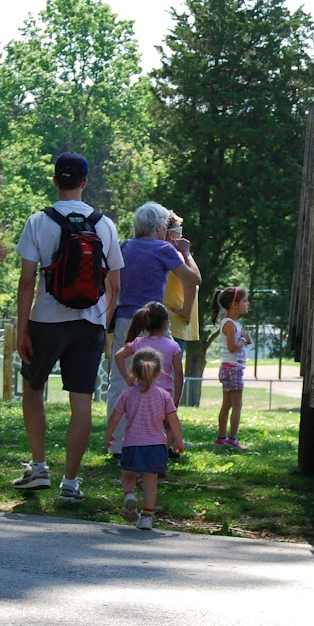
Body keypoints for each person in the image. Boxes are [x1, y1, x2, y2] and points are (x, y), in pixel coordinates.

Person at [12, 152, 124, 501]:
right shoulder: (104, 224)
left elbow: (27, 281)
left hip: (46, 320)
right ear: (84, 182)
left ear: (55, 180)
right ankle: (71, 483)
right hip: (89, 323)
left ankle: (39, 466)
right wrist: (101, 327)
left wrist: (22, 329)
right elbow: (115, 285)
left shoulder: (38, 222)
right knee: (82, 402)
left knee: (33, 390)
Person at [106, 202, 200, 455]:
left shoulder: (123, 247)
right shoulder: (162, 249)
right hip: (155, 322)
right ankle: (158, 438)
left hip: (126, 319)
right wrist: (186, 253)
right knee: (161, 381)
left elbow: (110, 284)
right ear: (159, 227)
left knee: (120, 379)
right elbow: (194, 279)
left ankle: (117, 444)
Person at [104, 347, 184, 531]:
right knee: (150, 483)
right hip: (156, 446)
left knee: (127, 474)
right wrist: (178, 441)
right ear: (158, 372)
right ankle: (146, 517)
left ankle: (129, 494)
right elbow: (173, 420)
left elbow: (115, 417)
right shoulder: (164, 396)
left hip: (132, 444)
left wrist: (109, 436)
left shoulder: (127, 395)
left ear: (134, 371)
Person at [113, 300, 183, 450]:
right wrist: (175, 399)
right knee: (169, 427)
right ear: (166, 324)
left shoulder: (138, 343)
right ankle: (159, 454)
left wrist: (127, 378)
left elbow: (118, 356)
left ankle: (137, 454)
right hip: (164, 395)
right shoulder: (173, 346)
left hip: (140, 393)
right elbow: (179, 375)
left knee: (137, 425)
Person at [162, 211, 204, 384]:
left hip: (171, 322)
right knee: (171, 377)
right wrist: (187, 252)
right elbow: (193, 281)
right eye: (179, 230)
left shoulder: (160, 253)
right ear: (171, 233)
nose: (181, 234)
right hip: (177, 323)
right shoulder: (176, 254)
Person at [212, 285, 252, 449]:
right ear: (234, 304)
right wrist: (244, 340)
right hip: (232, 369)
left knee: (227, 404)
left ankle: (221, 438)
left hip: (230, 368)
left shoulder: (232, 323)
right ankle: (232, 439)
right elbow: (232, 347)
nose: (248, 303)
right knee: (237, 405)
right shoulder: (230, 324)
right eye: (245, 300)